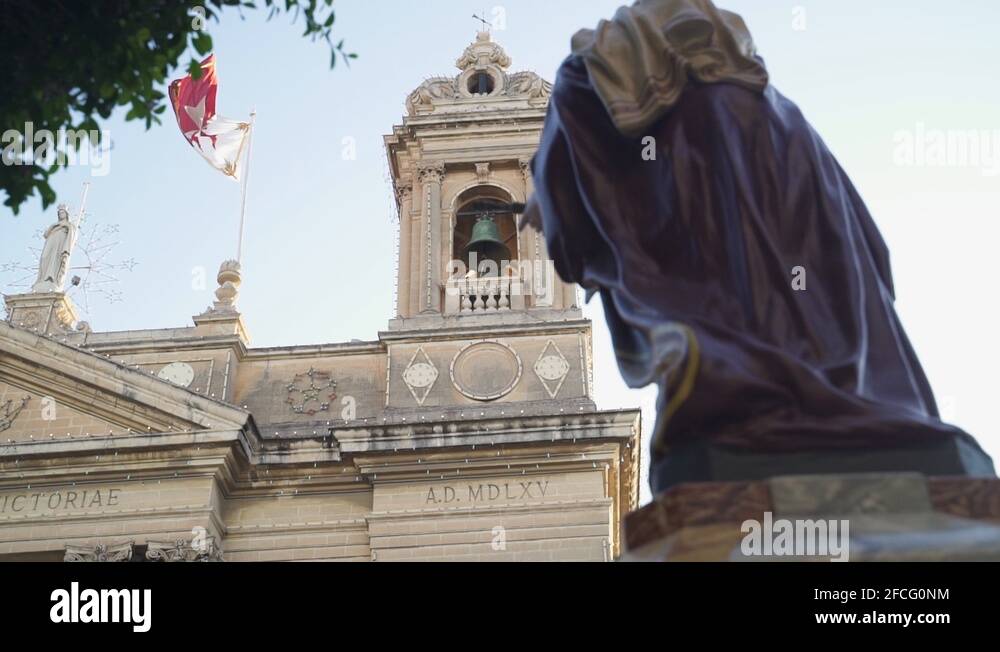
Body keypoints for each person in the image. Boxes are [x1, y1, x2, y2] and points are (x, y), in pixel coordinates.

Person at [521, 0, 995, 492]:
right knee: (811, 317)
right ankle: (839, 406)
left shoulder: (590, 73)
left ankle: (787, 404)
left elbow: (572, 186)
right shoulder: (782, 119)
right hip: (776, 191)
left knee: (758, 322)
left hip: (714, 199)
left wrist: (553, 208)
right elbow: (865, 260)